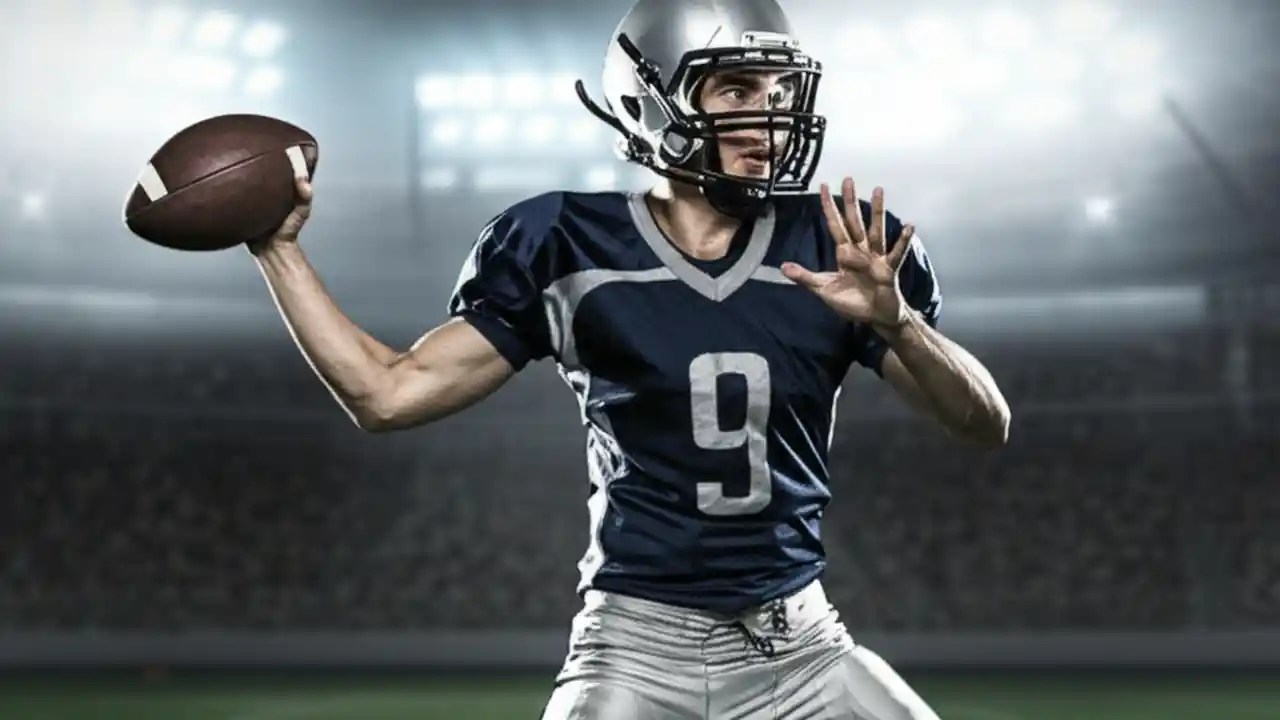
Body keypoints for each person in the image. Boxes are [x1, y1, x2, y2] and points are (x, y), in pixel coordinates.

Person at [251, 0, 1011, 716]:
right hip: (637, 647)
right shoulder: (564, 241)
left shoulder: (838, 246)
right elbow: (387, 395)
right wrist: (277, 251)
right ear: (655, 104)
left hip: (802, 645)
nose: (769, 117)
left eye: (780, 88)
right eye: (737, 89)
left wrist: (902, 322)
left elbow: (986, 423)